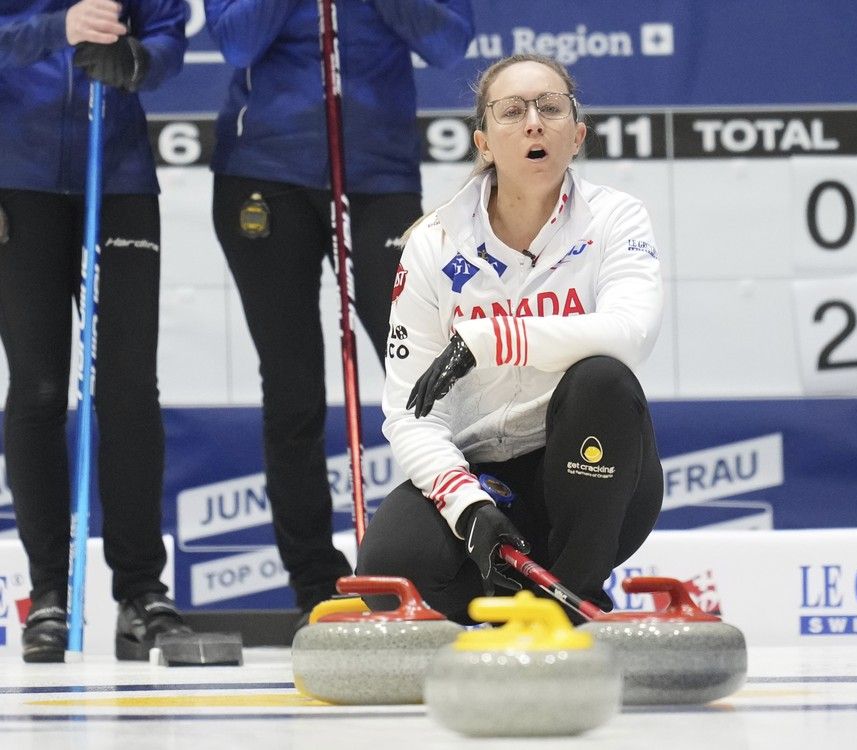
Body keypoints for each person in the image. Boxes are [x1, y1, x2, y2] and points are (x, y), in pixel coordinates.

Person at [356, 53, 665, 624]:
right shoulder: (432, 242)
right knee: (391, 566)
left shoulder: (616, 219)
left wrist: (489, 339)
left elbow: (630, 334)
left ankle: (575, 597)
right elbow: (410, 412)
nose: (533, 123)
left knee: (602, 377)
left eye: (550, 108)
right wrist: (466, 505)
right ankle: (509, 600)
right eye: (512, 111)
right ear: (483, 143)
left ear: (577, 137)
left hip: (592, 474)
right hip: (487, 477)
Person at [204, 0, 474, 625]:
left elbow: (449, 42)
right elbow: (237, 41)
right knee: (293, 384)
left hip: (376, 174)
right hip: (264, 173)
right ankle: (316, 587)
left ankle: (456, 559)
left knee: (429, 376)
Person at [0, 0, 191, 662]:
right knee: (38, 388)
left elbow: (169, 31)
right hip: (17, 181)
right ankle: (48, 593)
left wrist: (139, 60)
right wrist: (58, 28)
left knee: (129, 388)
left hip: (119, 177)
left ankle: (142, 593)